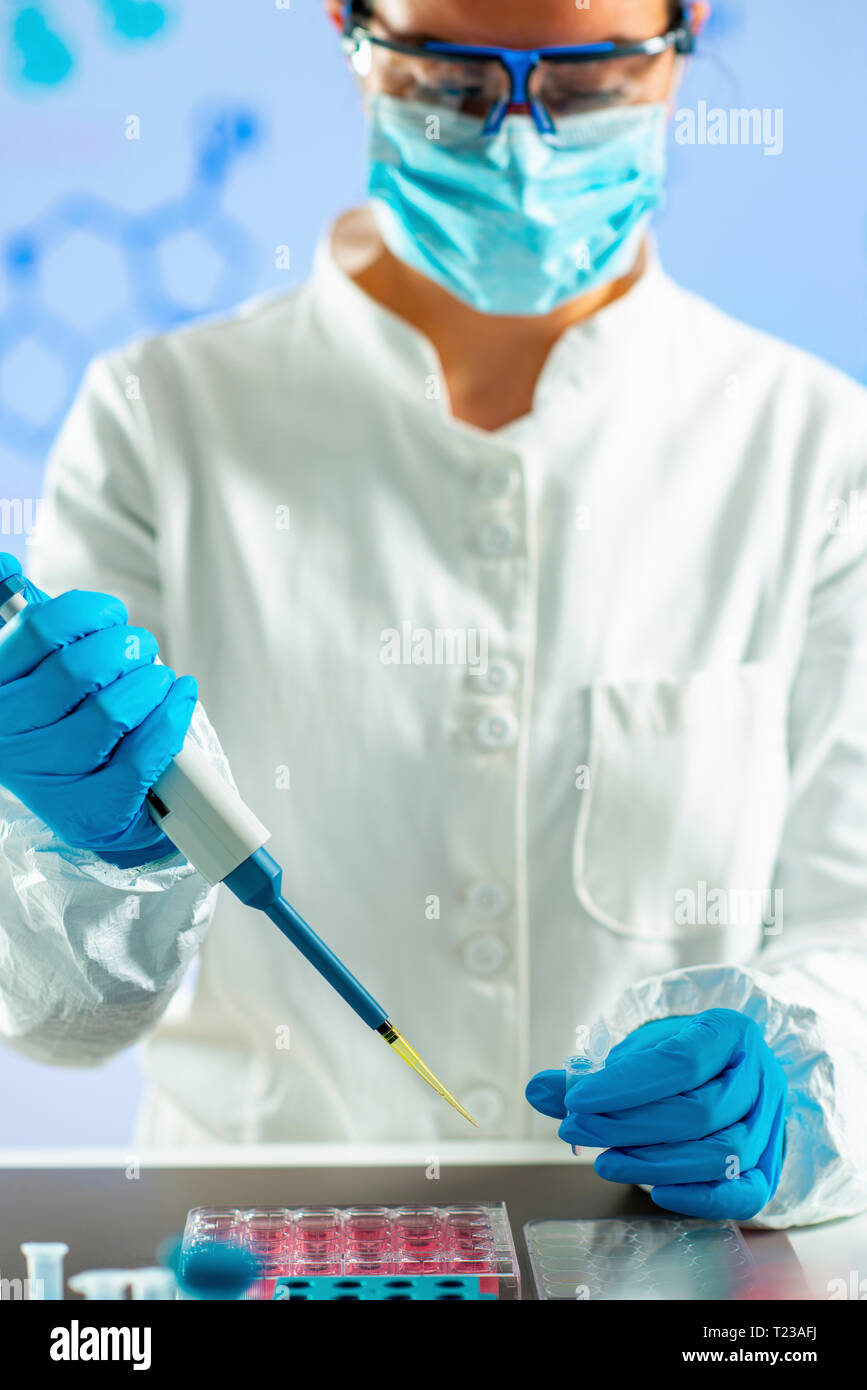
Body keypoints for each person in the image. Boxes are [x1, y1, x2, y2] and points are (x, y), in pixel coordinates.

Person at [0, 0, 865, 1227]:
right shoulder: (161, 419)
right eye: (454, 81)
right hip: (257, 1250)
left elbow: (854, 932)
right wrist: (93, 858)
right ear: (351, 33)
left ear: (685, 36)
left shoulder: (819, 454)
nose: (519, 144)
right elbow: (61, 1015)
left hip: (668, 1265)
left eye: (588, 86)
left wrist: (799, 1083)